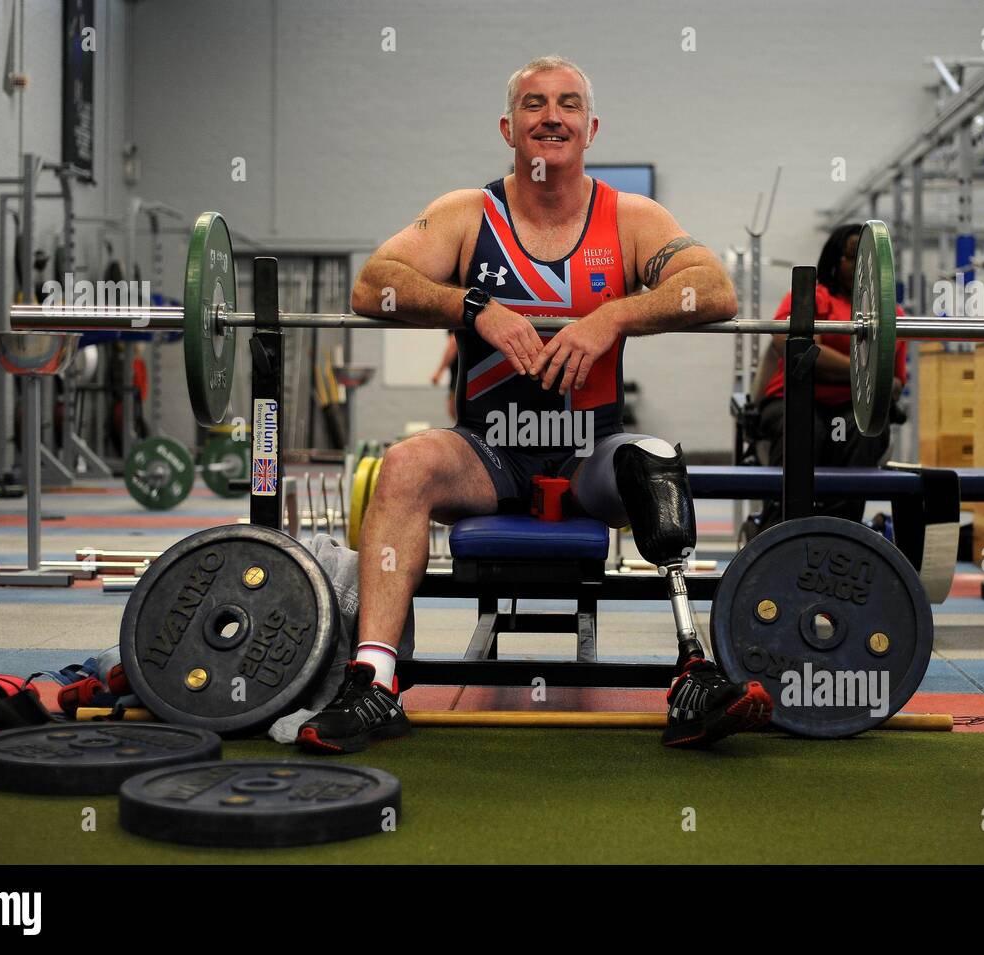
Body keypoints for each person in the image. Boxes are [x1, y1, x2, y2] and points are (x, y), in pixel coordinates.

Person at [297, 55, 772, 754]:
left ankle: (694, 672)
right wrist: (473, 306)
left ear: (590, 127)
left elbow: (714, 289)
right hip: (488, 450)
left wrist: (613, 315)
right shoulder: (468, 214)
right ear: (508, 127)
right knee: (402, 466)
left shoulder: (631, 218)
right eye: (534, 105)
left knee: (656, 460)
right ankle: (375, 681)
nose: (552, 116)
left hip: (591, 455)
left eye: (568, 104)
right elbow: (374, 285)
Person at [751, 223, 907, 528]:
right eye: (850, 257)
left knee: (863, 432)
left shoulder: (892, 315)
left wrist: (831, 363)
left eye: (860, 258)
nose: (856, 265)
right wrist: (862, 371)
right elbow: (795, 347)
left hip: (851, 409)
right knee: (808, 430)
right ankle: (782, 528)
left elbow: (894, 384)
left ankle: (839, 531)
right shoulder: (814, 296)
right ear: (835, 260)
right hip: (794, 400)